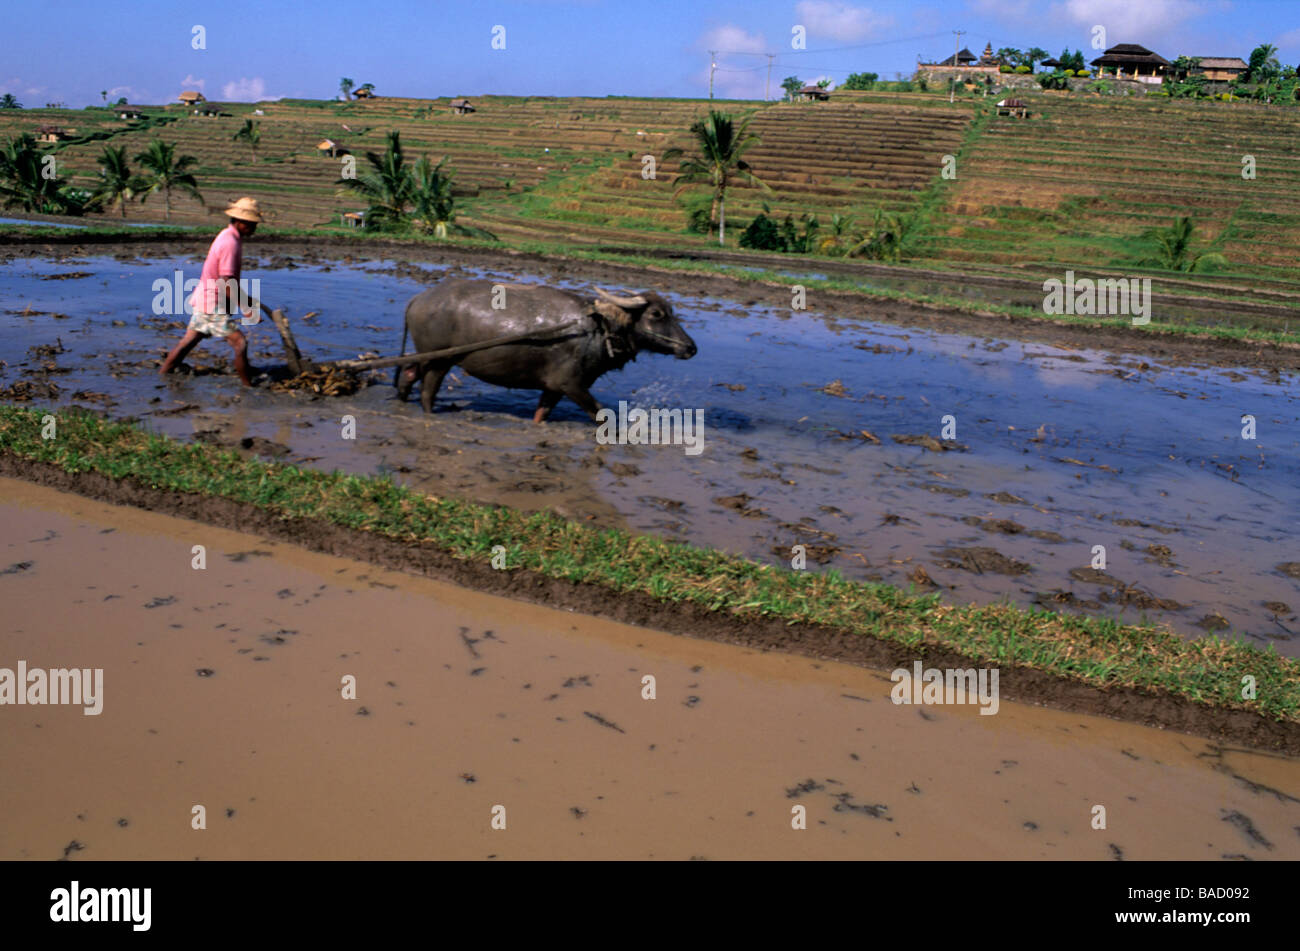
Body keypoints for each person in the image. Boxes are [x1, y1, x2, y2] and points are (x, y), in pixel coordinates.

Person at [159, 197, 263, 386]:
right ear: (240, 222)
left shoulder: (227, 235)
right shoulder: (230, 243)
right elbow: (226, 280)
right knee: (240, 343)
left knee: (189, 341)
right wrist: (247, 309)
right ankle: (248, 386)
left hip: (205, 299)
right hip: (213, 303)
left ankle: (163, 374)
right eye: (251, 225)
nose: (254, 229)